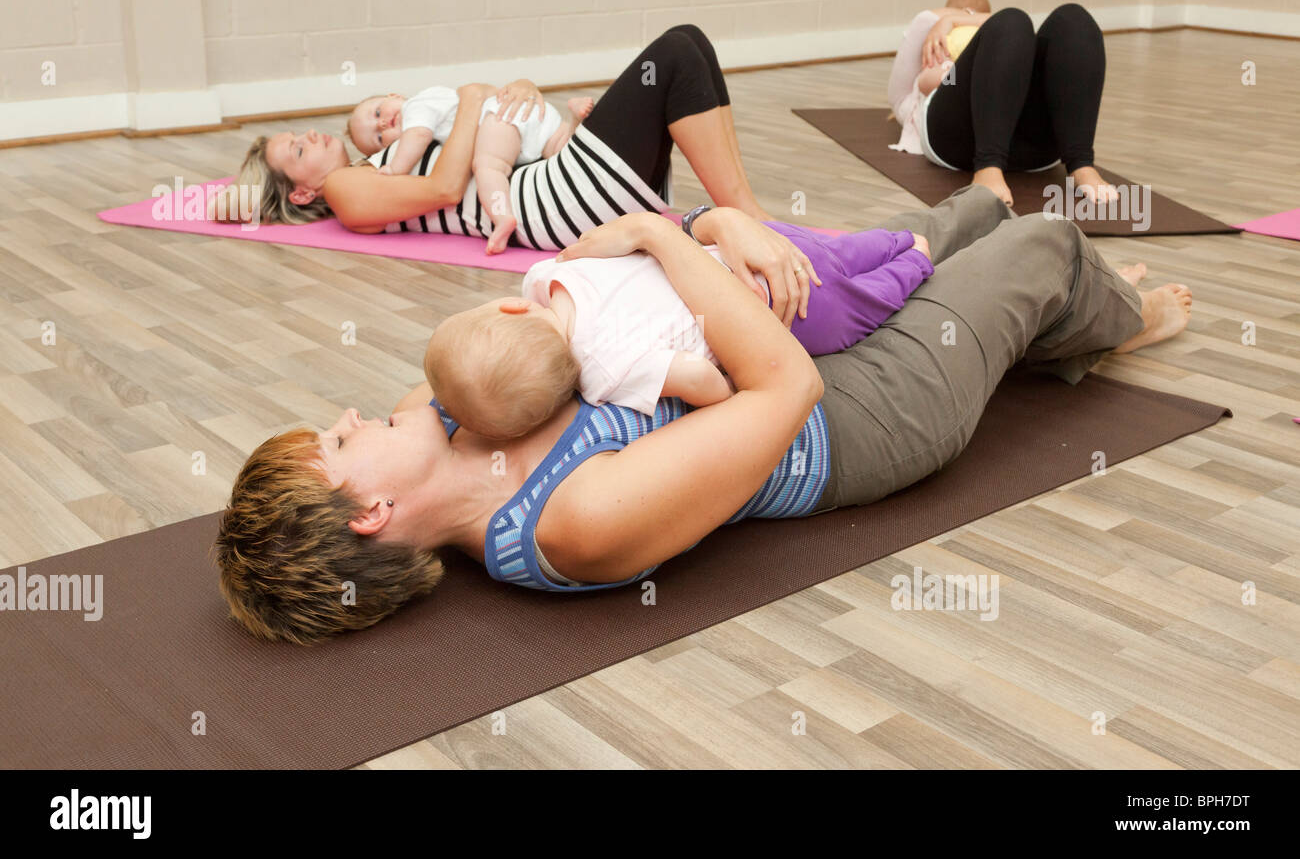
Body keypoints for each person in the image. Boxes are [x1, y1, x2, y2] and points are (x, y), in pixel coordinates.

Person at [213, 186, 1193, 644]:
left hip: (735, 322)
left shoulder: (431, 409)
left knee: (960, 220)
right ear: (371, 514)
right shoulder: (571, 526)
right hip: (852, 415)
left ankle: (1052, 314)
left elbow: (580, 293)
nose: (348, 415)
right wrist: (681, 228)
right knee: (1042, 242)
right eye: (338, 443)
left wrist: (716, 240)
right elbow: (782, 391)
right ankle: (1108, 320)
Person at [210, 25, 777, 255]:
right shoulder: (347, 191)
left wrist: (519, 90)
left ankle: (749, 215)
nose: (310, 136)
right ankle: (751, 219)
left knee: (689, 45)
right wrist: (476, 99)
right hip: (553, 205)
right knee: (674, 55)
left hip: (560, 181)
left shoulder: (389, 151)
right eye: (298, 150)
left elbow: (507, 138)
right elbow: (444, 186)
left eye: (301, 134)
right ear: (304, 193)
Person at [423, 210, 933, 437]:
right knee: (846, 249)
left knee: (867, 302)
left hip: (786, 309)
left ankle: (917, 263)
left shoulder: (604, 373)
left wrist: (728, 391)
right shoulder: (551, 274)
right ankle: (901, 240)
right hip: (752, 244)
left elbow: (696, 380)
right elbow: (613, 241)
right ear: (512, 309)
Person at [887, 0, 1115, 208]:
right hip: (959, 142)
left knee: (1073, 18)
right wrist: (955, 45)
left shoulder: (1006, 43)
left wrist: (956, 20)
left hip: (1035, 144)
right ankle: (988, 166)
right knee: (1012, 20)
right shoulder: (939, 48)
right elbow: (927, 81)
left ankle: (1081, 163)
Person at [344, 88, 595, 253]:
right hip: (528, 115)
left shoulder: (416, 109)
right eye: (379, 136)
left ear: (395, 96)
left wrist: (396, 167)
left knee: (489, 167)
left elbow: (417, 136)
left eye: (377, 112)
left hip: (498, 119)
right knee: (560, 147)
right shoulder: (441, 95)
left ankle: (501, 216)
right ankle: (573, 122)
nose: (383, 123)